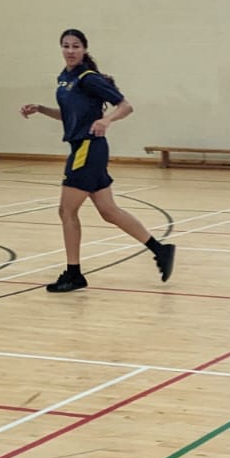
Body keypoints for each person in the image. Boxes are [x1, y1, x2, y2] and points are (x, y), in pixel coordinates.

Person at [20, 28, 174, 293]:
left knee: (66, 211)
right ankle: (160, 250)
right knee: (108, 211)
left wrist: (107, 120)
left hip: (88, 149)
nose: (70, 51)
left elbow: (126, 106)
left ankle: (74, 273)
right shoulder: (64, 78)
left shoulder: (88, 78)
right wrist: (41, 109)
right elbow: (70, 116)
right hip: (85, 147)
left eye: (75, 46)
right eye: (66, 46)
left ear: (84, 49)